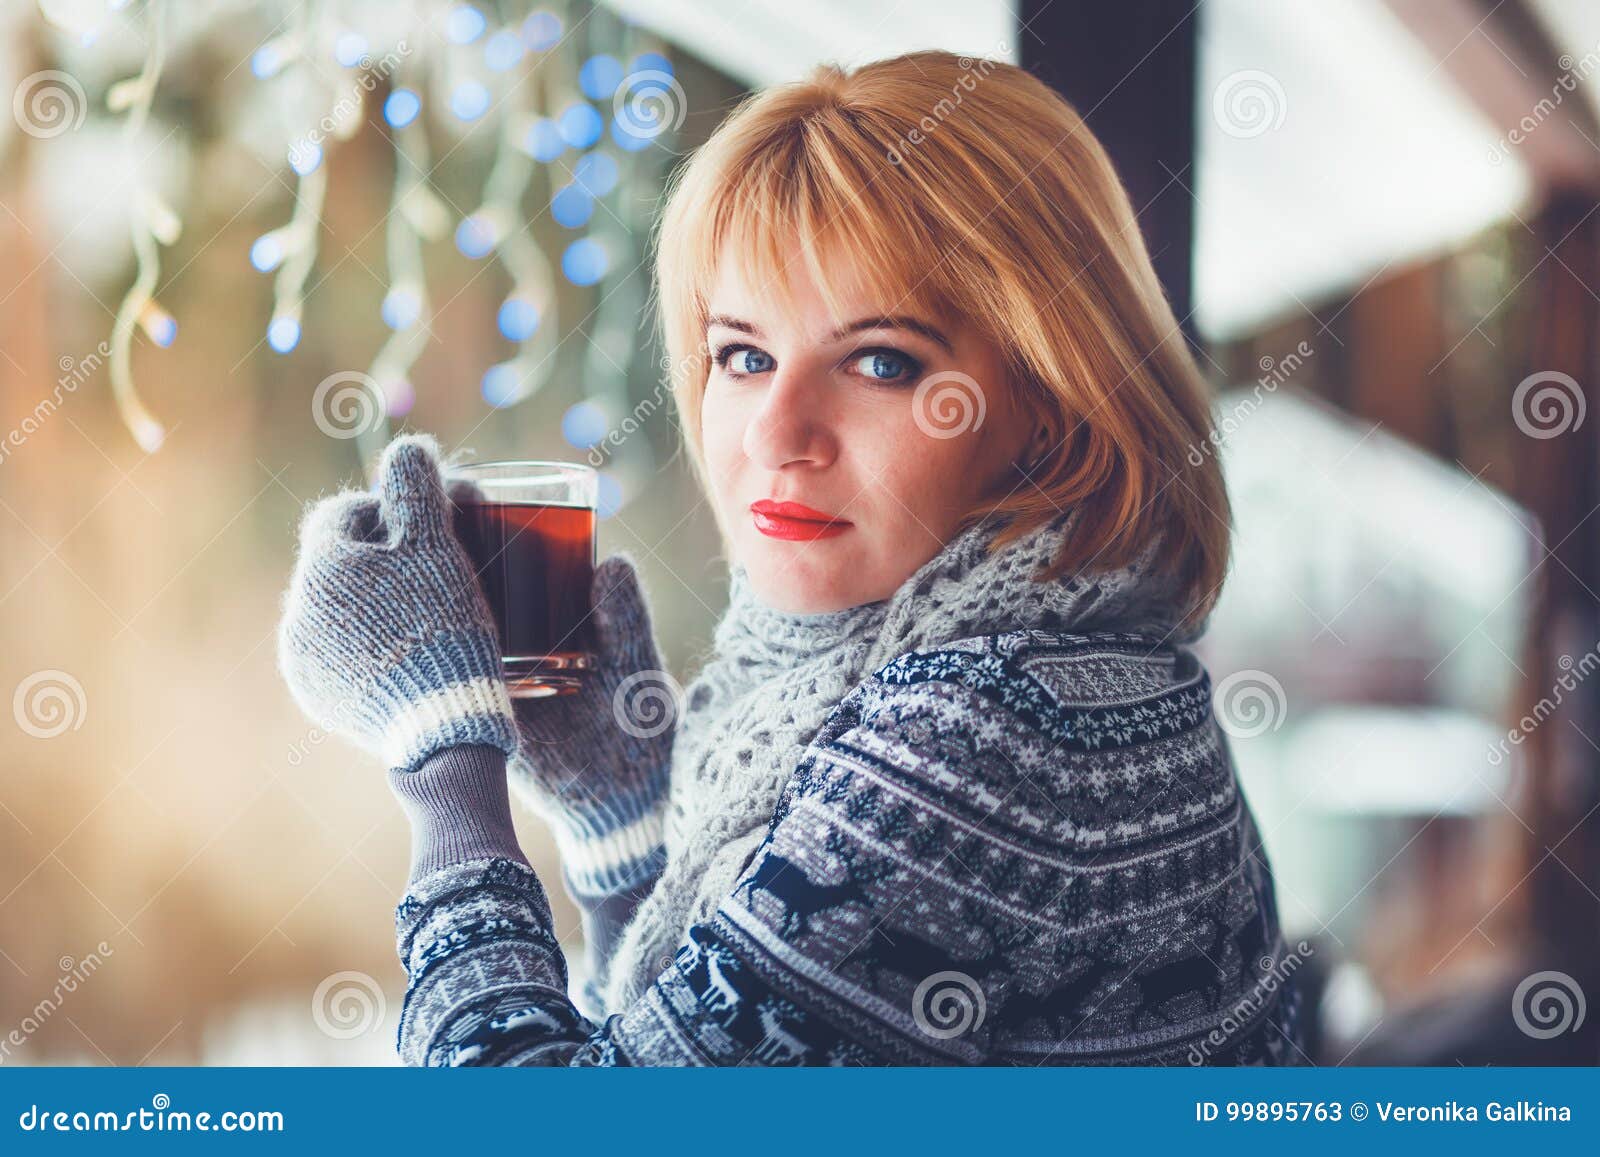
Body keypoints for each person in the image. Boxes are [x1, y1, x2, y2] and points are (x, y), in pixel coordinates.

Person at [276, 50, 1305, 1065]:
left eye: (879, 361)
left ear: (1049, 396)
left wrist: (444, 751)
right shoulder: (1096, 669)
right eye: (744, 355)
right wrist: (619, 823)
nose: (778, 431)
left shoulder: (980, 738)